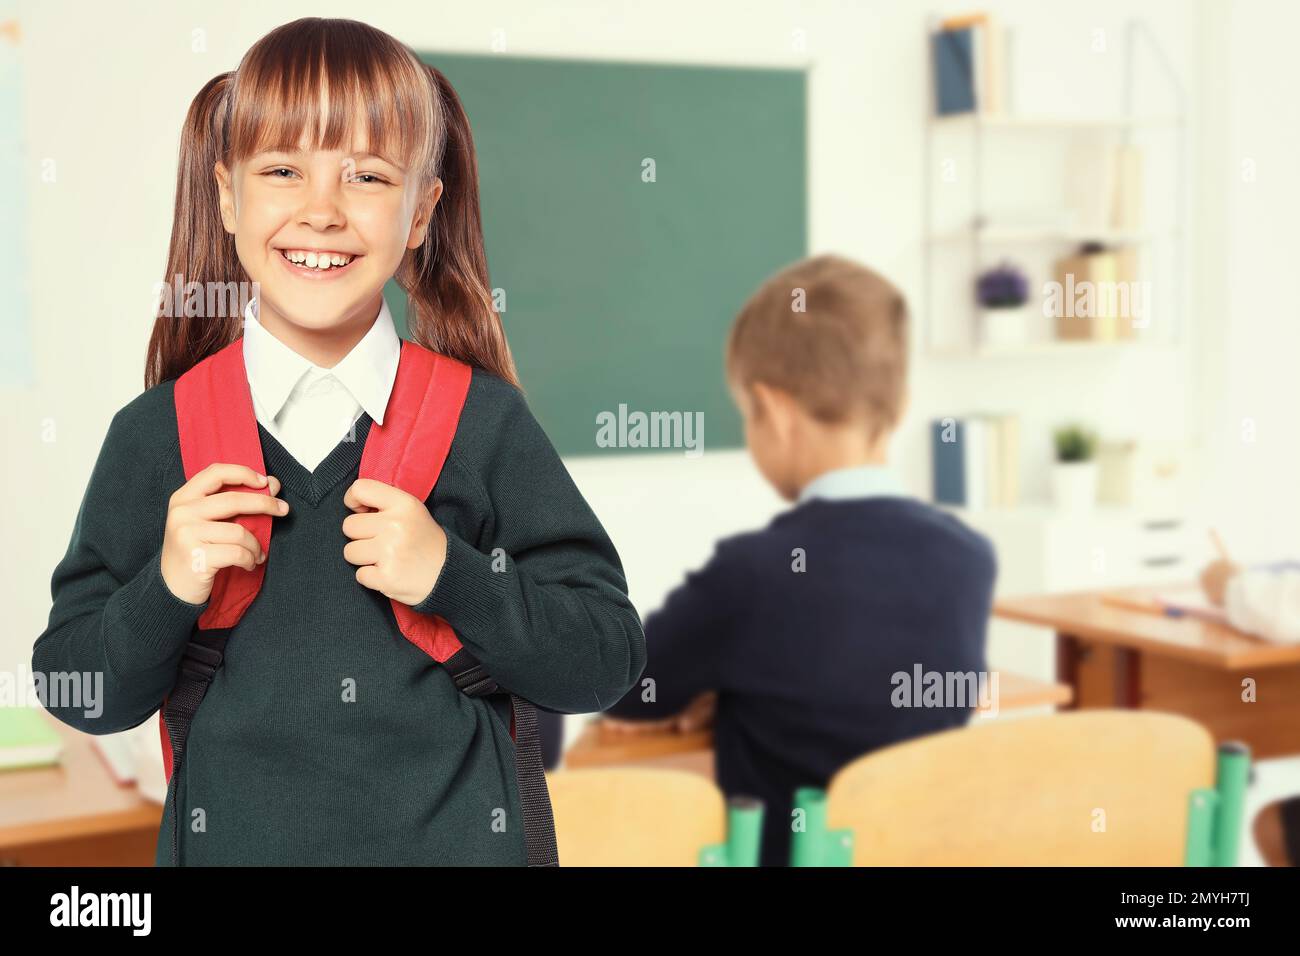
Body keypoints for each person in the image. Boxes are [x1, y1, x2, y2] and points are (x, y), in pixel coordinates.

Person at [32, 17, 645, 866]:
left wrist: (453, 577)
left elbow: (603, 659)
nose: (320, 211)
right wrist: (167, 586)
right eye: (282, 170)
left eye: (366, 175)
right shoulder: (156, 436)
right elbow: (80, 691)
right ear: (226, 197)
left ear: (422, 210)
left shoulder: (484, 423)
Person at [603, 254, 996, 866]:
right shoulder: (968, 559)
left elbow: (625, 687)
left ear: (777, 412)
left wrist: (716, 682)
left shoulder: (752, 575)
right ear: (898, 401)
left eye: (747, 416)